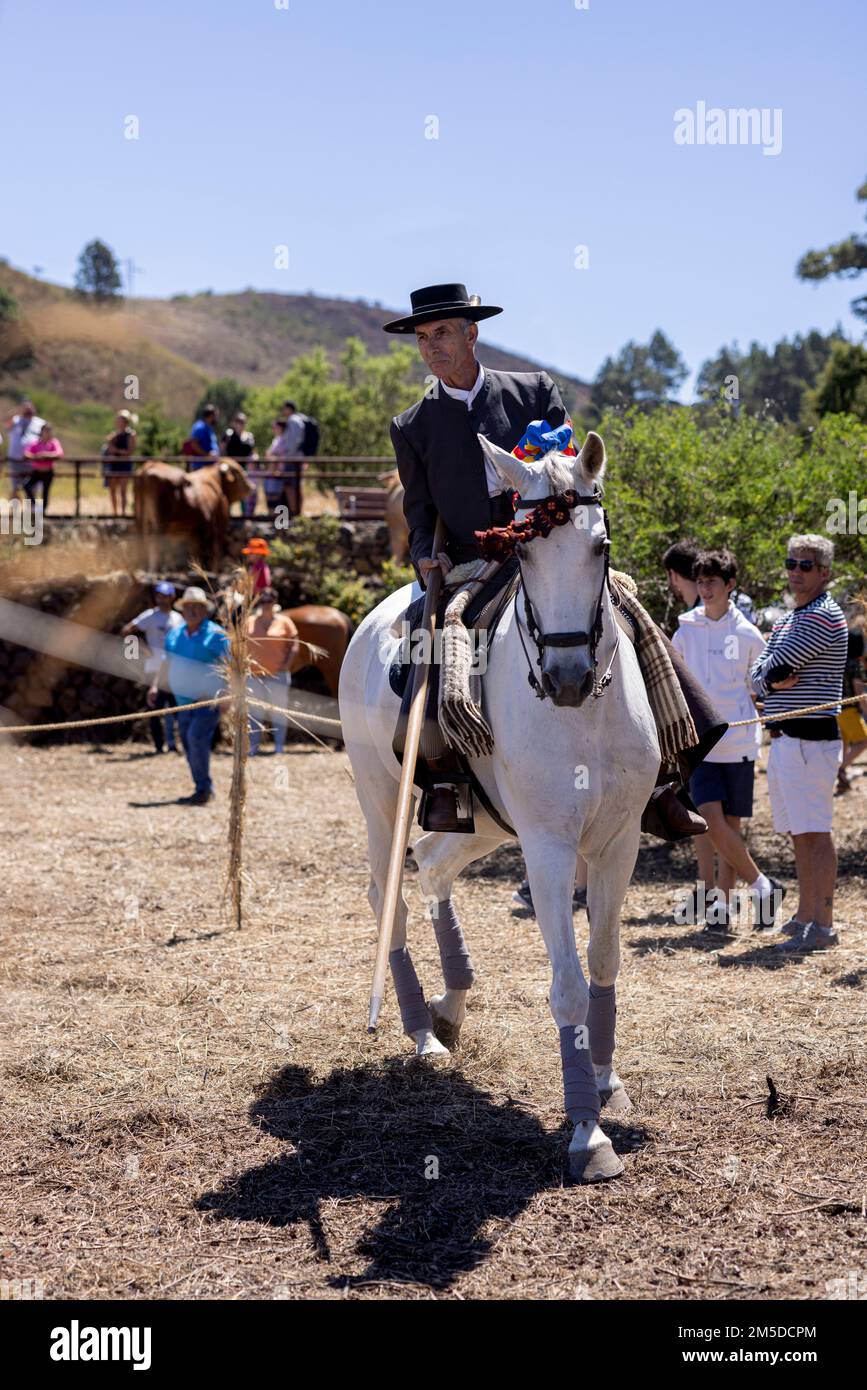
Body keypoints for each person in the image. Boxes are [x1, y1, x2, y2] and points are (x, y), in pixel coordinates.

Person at [385, 281, 723, 837]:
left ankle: (664, 776)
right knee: (432, 638)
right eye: (422, 337)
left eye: (442, 333)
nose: (431, 347)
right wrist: (426, 558)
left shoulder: (533, 392)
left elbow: (570, 475)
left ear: (472, 334)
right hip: (472, 563)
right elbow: (420, 515)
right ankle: (445, 777)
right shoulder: (412, 426)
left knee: (631, 614)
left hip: (548, 550)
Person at [671, 548, 783, 935]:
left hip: (739, 742)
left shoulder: (749, 634)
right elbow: (674, 682)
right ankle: (763, 885)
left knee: (729, 827)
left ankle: (721, 907)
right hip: (701, 743)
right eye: (700, 582)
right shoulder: (685, 628)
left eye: (712, 582)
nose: (704, 589)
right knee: (709, 821)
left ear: (730, 585)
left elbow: (759, 682)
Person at [749, 534, 848, 953]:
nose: (795, 572)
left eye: (805, 566)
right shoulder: (790, 618)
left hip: (810, 740)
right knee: (799, 833)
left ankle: (823, 925)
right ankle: (806, 916)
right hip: (787, 741)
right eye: (791, 564)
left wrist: (767, 679)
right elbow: (758, 671)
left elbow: (777, 668)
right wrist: (766, 679)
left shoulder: (823, 616)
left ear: (824, 573)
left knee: (816, 832)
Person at [147, 587, 230, 804]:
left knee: (195, 738)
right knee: (187, 741)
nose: (192, 611)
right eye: (188, 607)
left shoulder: (216, 635)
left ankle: (204, 788)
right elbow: (165, 663)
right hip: (182, 702)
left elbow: (231, 666)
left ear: (204, 610)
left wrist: (227, 694)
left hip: (206, 700)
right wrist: (155, 686)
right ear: (182, 610)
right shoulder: (175, 634)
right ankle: (201, 787)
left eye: (197, 607)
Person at [122, 581, 183, 753]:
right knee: (155, 709)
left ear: (172, 597)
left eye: (165, 596)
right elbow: (127, 631)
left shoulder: (178, 618)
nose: (161, 599)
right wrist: (138, 651)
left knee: (176, 708)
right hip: (154, 667)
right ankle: (158, 745)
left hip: (173, 668)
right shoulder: (150, 616)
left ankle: (174, 744)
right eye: (158, 596)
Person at [246, 588, 299, 755]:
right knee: (254, 713)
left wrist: (287, 664)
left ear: (275, 602)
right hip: (254, 676)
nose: (266, 604)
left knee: (279, 712)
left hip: (278, 675)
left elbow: (295, 644)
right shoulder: (249, 621)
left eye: (269, 601)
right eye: (263, 601)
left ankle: (279, 746)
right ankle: (253, 747)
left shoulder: (285, 622)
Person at [836, 614, 867, 792]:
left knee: (844, 744)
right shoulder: (855, 664)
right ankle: (840, 769)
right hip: (849, 710)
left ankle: (842, 780)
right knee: (864, 741)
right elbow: (858, 690)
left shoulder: (841, 662)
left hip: (838, 709)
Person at [4, 400, 45, 500]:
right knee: (15, 487)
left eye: (30, 408)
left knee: (31, 488)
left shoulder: (40, 423)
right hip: (16, 459)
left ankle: (29, 513)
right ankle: (14, 513)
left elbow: (45, 439)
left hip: (33, 461)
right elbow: (5, 422)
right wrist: (17, 410)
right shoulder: (15, 420)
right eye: (26, 408)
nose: (28, 410)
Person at [222, 412, 258, 516]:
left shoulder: (249, 436)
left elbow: (253, 451)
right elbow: (222, 449)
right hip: (230, 467)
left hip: (244, 467)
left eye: (242, 422)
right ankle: (227, 516)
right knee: (229, 491)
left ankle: (245, 516)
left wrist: (254, 458)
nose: (240, 424)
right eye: (238, 421)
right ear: (234, 422)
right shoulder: (228, 434)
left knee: (244, 492)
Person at [103, 410, 137, 516]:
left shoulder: (131, 434)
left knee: (123, 490)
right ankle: (115, 512)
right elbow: (109, 449)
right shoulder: (114, 435)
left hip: (124, 465)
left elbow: (130, 452)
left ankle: (122, 512)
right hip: (114, 464)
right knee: (112, 490)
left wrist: (116, 451)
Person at [22, 422, 63, 509]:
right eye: (46, 431)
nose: (48, 433)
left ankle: (43, 511)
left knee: (45, 492)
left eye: (49, 431)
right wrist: (35, 457)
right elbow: (26, 453)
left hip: (48, 472)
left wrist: (45, 455)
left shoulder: (54, 442)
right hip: (37, 471)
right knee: (26, 485)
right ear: (41, 432)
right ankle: (35, 505)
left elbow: (59, 454)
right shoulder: (36, 443)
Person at [187, 405, 220, 470]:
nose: (217, 418)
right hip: (200, 467)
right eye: (215, 416)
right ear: (211, 416)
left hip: (210, 466)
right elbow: (194, 444)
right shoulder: (199, 427)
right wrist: (207, 455)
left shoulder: (209, 427)